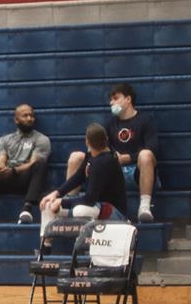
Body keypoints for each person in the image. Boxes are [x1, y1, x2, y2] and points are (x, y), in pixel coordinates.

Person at [64, 83, 158, 223]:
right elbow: (99, 149)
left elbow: (153, 149)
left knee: (146, 155)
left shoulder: (145, 120)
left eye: (115, 98)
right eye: (111, 100)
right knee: (76, 157)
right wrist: (113, 158)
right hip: (113, 172)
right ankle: (68, 205)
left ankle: (144, 206)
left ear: (128, 99)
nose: (111, 102)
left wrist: (128, 158)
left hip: (136, 173)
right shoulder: (109, 124)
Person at [40, 123, 128, 229]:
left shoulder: (104, 162)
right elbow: (79, 176)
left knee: (80, 211)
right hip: (96, 206)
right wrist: (56, 193)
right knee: (47, 205)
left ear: (87, 141)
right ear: (106, 139)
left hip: (114, 212)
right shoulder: (92, 154)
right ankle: (45, 245)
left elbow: (89, 199)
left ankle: (86, 242)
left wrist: (61, 202)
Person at [0, 104, 51, 223]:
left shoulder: (42, 139)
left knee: (40, 164)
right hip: (5, 178)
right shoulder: (5, 140)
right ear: (16, 120)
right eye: (25, 116)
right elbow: (1, 159)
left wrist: (14, 171)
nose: (29, 118)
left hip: (23, 180)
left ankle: (27, 209)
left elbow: (34, 162)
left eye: (31, 115)